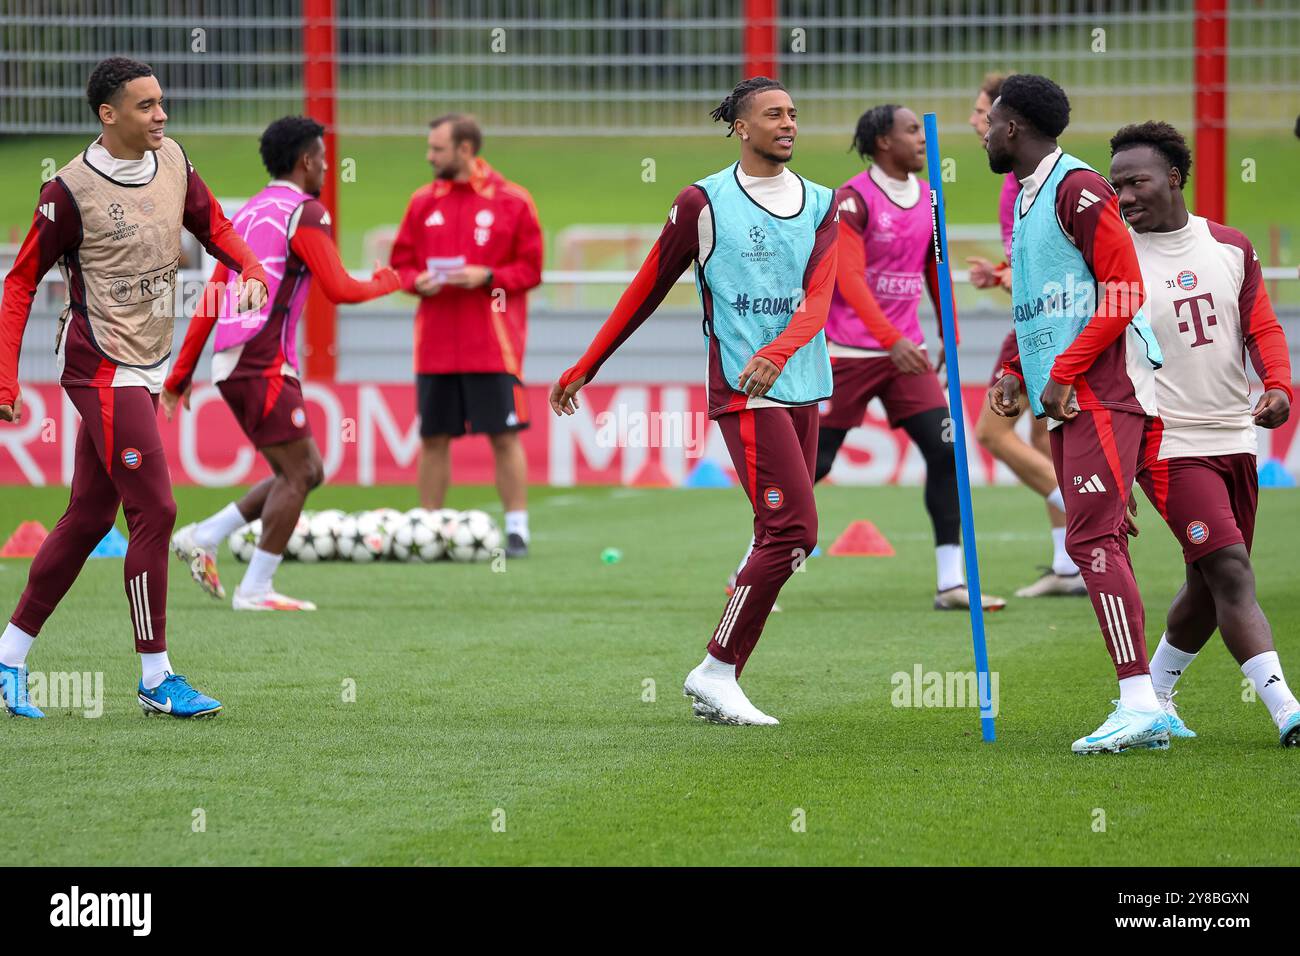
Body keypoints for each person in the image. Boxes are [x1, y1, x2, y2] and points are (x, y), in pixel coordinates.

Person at [550, 77, 838, 726]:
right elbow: (646, 287)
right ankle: (717, 670)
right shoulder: (701, 203)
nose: (788, 123)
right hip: (743, 390)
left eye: (793, 113)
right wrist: (586, 364)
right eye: (772, 114)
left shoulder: (825, 202)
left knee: (785, 537)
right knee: (795, 531)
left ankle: (720, 672)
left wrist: (783, 350)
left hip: (804, 384)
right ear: (740, 127)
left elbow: (821, 299)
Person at [0, 57, 267, 718]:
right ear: (107, 114)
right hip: (100, 364)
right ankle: (156, 677)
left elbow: (214, 225)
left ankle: (6, 658)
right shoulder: (67, 191)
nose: (161, 115)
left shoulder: (172, 159)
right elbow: (20, 283)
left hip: (146, 358)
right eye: (146, 105)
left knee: (90, 517)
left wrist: (251, 265)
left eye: (161, 102)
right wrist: (5, 378)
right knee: (156, 510)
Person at [985, 74, 1168, 754]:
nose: (981, 132)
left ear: (1013, 128)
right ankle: (1155, 699)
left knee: (1093, 541)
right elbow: (1040, 303)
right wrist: (1012, 370)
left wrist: (1061, 372)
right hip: (1069, 397)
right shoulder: (1031, 199)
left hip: (1104, 391)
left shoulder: (1078, 188)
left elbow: (1123, 291)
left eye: (990, 121)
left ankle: (1140, 700)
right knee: (1109, 537)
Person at [1108, 121, 1300, 746]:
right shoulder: (1113, 257)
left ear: (1175, 177)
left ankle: (1156, 697)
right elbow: (1072, 341)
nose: (1125, 197)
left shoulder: (1230, 246)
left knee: (1206, 578)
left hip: (1235, 436)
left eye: (1136, 182)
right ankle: (1288, 713)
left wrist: (1278, 386)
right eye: (1117, 186)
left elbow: (1261, 328)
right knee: (1232, 568)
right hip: (1166, 441)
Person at [164, 116, 401, 611]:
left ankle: (203, 535)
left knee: (297, 471)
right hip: (262, 357)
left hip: (234, 362)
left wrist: (181, 375)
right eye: (324, 159)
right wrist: (387, 281)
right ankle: (254, 589)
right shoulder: (305, 212)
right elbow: (338, 287)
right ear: (306, 161)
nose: (328, 168)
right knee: (303, 471)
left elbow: (213, 294)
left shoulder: (249, 213)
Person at [817, 103, 1004, 611]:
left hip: (909, 355)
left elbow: (935, 272)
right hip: (850, 352)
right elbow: (848, 278)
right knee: (816, 462)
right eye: (911, 131)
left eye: (922, 131)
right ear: (883, 142)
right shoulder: (852, 201)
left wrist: (949, 334)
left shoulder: (931, 200)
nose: (922, 139)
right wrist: (889, 339)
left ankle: (951, 582)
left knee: (946, 452)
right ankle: (755, 560)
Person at [389, 114, 543, 557]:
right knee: (433, 438)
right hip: (435, 347)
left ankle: (517, 529)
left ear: (465, 150)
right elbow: (400, 265)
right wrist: (415, 280)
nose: (429, 156)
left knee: (503, 436)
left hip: (493, 347)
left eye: (437, 149)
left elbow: (531, 269)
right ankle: (429, 530)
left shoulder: (513, 201)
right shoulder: (422, 202)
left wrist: (488, 274)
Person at [967, 72, 1083, 598]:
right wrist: (1000, 273)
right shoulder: (1018, 180)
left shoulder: (1034, 182)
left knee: (991, 434)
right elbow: (1034, 259)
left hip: (1040, 325)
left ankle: (1079, 510)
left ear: (1009, 124)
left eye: (981, 113)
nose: (975, 123)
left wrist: (1010, 275)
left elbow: (1055, 268)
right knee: (1045, 436)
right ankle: (1068, 566)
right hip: (1043, 320)